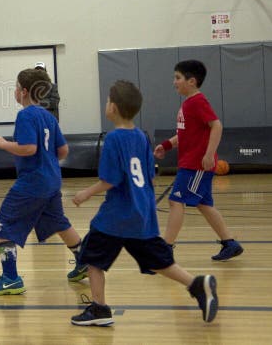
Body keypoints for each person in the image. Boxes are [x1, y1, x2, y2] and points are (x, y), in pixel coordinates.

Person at [71, 80, 218, 326]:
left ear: (114, 108)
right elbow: (150, 175)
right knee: (159, 262)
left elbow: (111, 179)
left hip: (114, 218)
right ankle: (197, 284)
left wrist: (86, 193)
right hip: (142, 215)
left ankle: (99, 309)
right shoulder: (141, 136)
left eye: (107, 101)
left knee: (92, 259)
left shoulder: (113, 139)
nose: (106, 104)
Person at [0, 68, 86, 296]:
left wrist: (3, 143)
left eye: (16, 87)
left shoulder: (26, 115)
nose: (14, 91)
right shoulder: (48, 115)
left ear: (24, 91)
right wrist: (47, 160)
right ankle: (84, 260)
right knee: (58, 221)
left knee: (3, 224)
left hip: (33, 182)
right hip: (52, 180)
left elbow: (29, 148)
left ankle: (10, 279)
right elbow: (64, 150)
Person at [154, 60, 244, 261]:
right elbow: (185, 135)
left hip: (195, 165)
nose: (174, 82)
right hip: (190, 163)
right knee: (204, 205)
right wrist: (167, 145)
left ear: (192, 81)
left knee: (175, 201)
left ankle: (166, 248)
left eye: (177, 78)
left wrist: (209, 154)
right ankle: (230, 243)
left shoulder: (198, 101)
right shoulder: (188, 104)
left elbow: (217, 126)